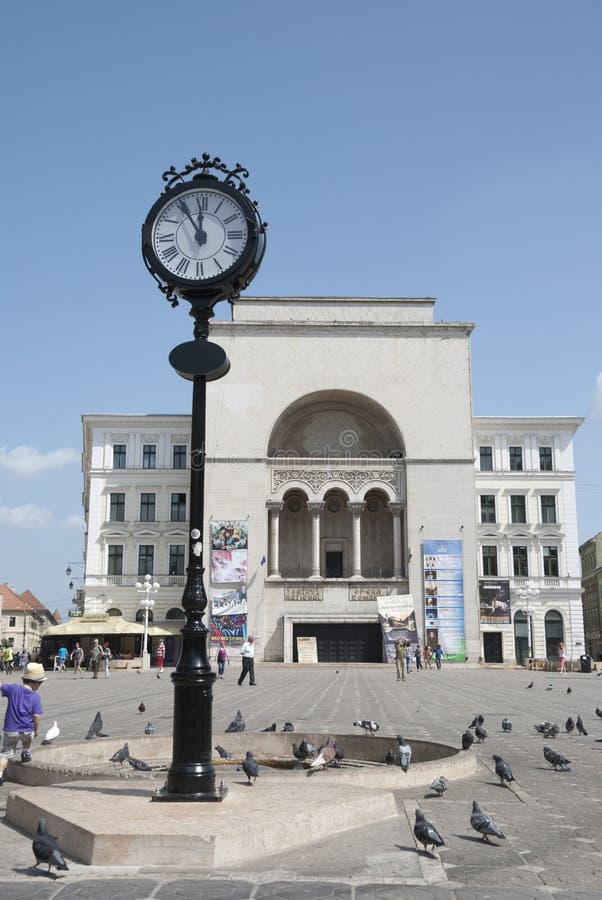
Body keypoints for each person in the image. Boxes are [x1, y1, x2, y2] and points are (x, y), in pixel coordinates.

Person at [0, 661, 46, 785]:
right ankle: (25, 753)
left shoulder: (13, 689)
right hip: (27, 729)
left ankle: (0, 775)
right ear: (35, 682)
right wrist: (36, 729)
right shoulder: (35, 697)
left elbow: (1, 686)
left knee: (5, 754)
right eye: (40, 683)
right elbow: (36, 716)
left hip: (10, 729)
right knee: (28, 739)